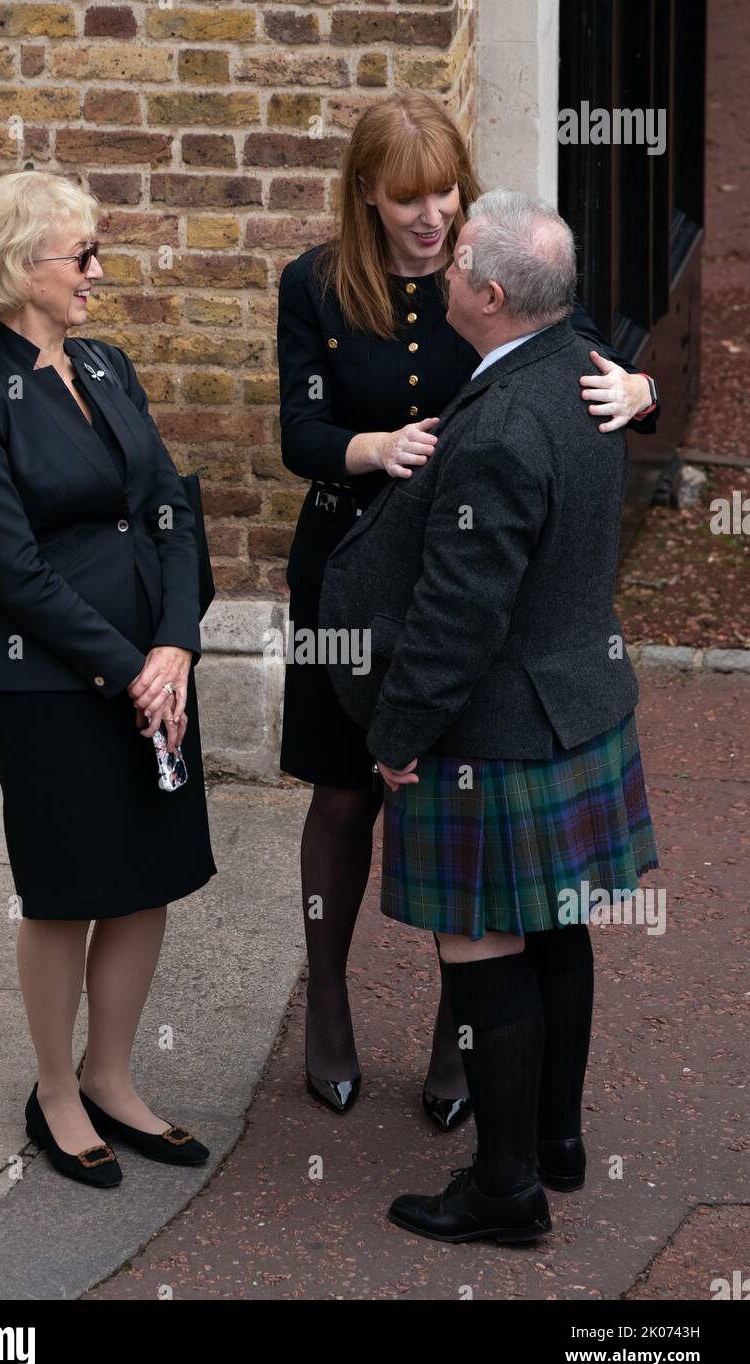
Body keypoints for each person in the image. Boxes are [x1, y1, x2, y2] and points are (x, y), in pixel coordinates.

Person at [277, 92, 660, 1124]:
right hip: (347, 582)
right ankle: (328, 1003)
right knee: (344, 795)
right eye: (408, 199)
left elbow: (575, 358)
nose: (430, 217)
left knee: (457, 807)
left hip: (457, 587)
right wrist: (373, 448)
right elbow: (298, 435)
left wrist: (642, 394)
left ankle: (461, 1035)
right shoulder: (315, 283)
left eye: (444, 194)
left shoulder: (492, 268)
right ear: (367, 193)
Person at [0, 171, 216, 1189]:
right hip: (49, 686)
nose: (98, 271)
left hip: (156, 668)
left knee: (145, 875)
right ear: (23, 270)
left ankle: (111, 1076)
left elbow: (168, 505)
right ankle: (55, 1089)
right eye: (82, 255)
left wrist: (176, 646)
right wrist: (130, 670)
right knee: (65, 889)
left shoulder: (108, 366)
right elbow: (15, 572)